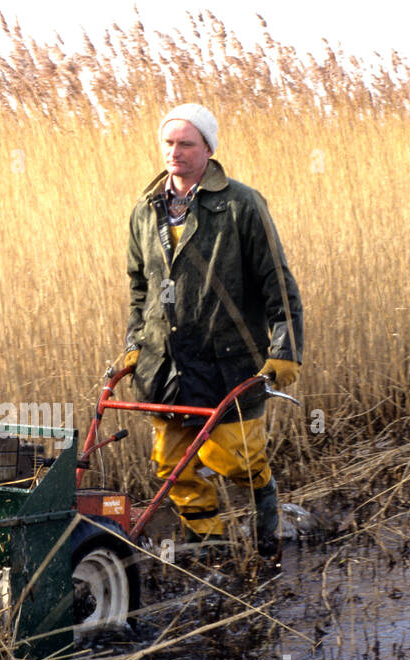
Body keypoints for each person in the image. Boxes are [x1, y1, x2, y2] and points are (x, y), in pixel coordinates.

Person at [123, 103, 304, 571]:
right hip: (165, 361)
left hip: (227, 358)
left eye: (186, 143)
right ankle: (208, 544)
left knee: (235, 458)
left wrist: (284, 350)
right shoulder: (145, 210)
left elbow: (276, 283)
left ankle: (268, 518)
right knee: (172, 463)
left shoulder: (242, 204)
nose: (175, 152)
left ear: (208, 149)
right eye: (169, 143)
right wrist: (133, 344)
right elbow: (139, 286)